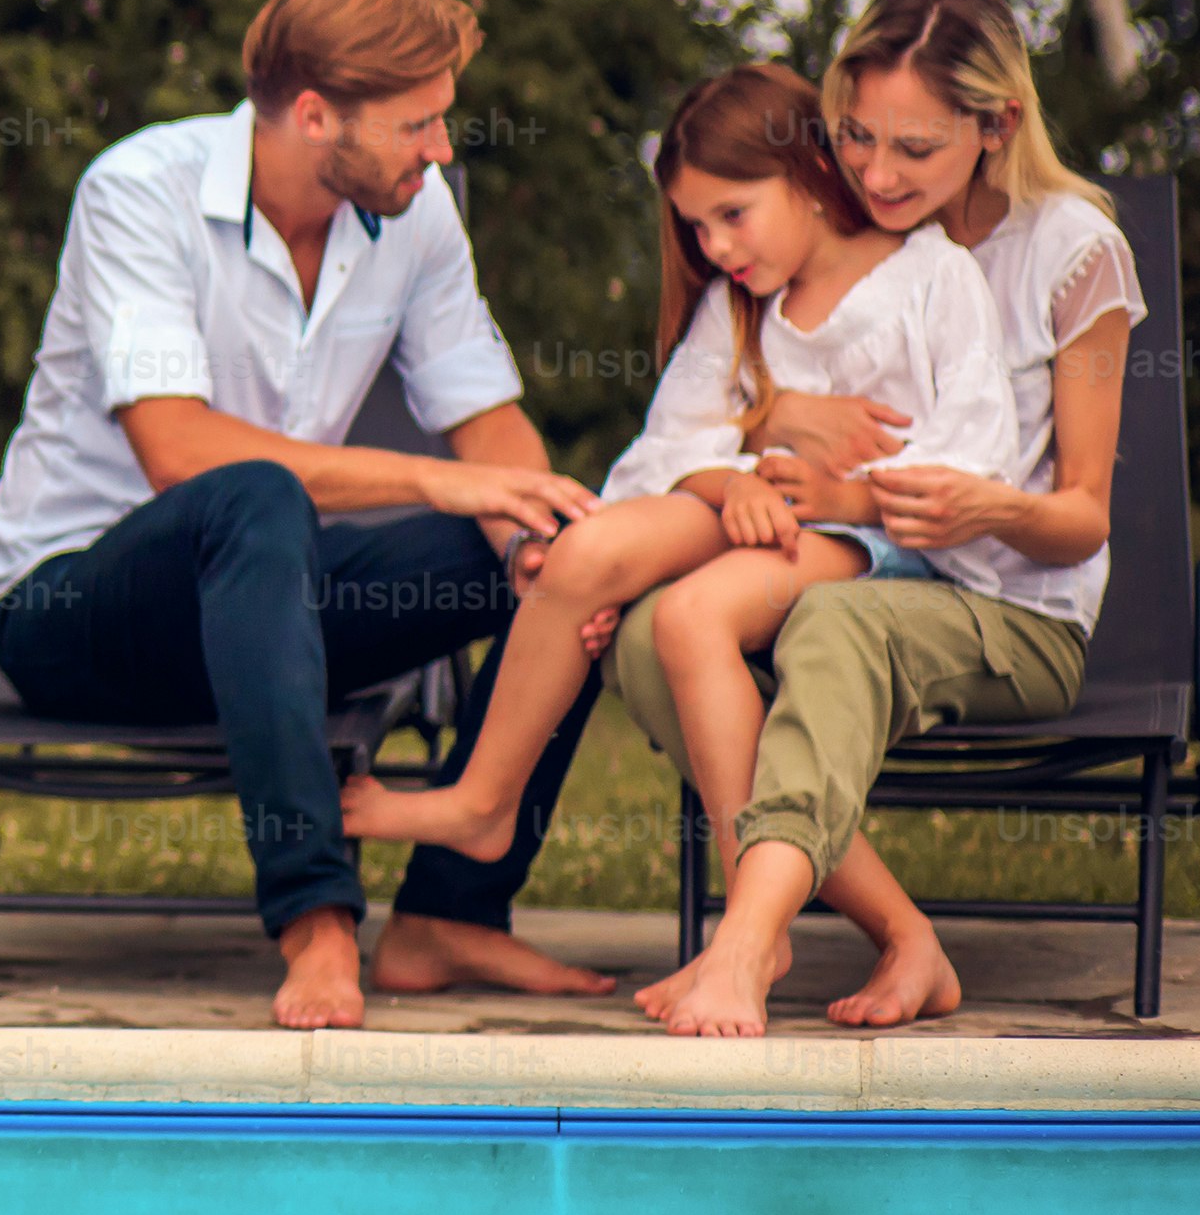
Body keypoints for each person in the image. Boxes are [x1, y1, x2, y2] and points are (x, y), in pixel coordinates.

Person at [0, 0, 618, 1028]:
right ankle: (317, 918)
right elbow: (179, 451)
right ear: (317, 116)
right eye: (418, 124)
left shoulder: (414, 215)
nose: (442, 148)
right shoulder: (140, 191)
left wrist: (528, 532)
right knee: (257, 492)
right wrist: (436, 478)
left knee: (583, 543)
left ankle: (449, 916)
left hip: (278, 601)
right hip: (79, 609)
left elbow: (488, 420)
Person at [622, 0, 1136, 1035]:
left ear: (995, 127)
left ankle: (747, 937)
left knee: (835, 624)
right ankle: (904, 936)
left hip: (1014, 606)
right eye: (857, 138)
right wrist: (782, 426)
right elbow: (749, 396)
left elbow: (1084, 514)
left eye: (915, 149)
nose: (877, 171)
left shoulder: (1072, 250)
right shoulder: (842, 223)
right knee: (646, 638)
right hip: (859, 557)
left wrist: (982, 508)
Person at [340, 64, 1010, 865]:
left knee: (689, 606)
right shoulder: (737, 306)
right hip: (767, 517)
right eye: (697, 226)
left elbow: (976, 452)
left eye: (732, 214)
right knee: (584, 548)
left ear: (812, 172)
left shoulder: (932, 278)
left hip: (883, 541)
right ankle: (485, 802)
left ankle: (745, 905)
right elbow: (663, 447)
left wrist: (835, 491)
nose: (715, 245)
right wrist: (733, 479)